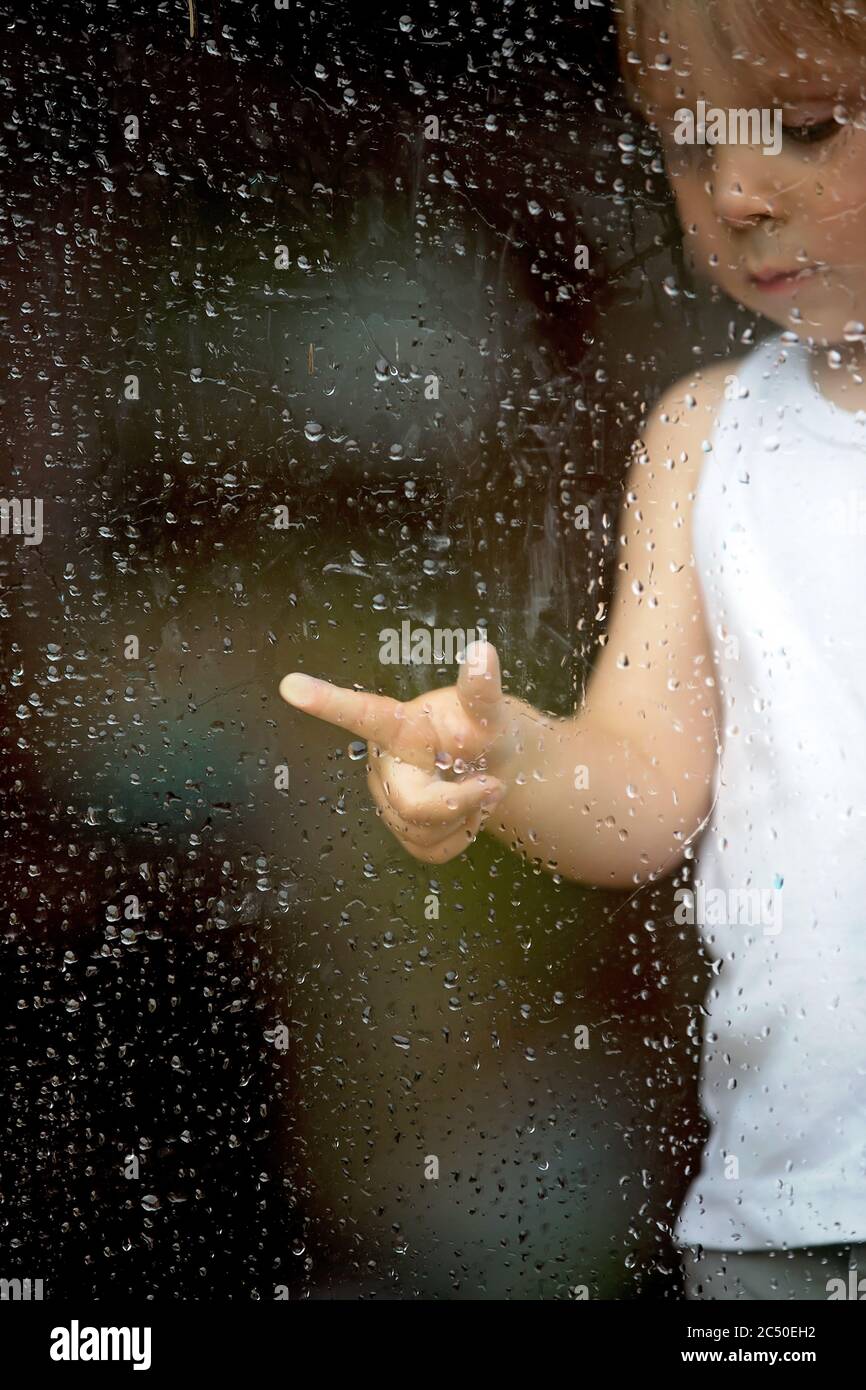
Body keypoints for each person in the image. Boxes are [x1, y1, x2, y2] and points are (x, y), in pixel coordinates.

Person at [279, 0, 866, 1300]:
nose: (735, 192)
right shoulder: (706, 441)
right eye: (684, 146)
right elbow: (641, 788)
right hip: (783, 1209)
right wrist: (502, 758)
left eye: (807, 127)